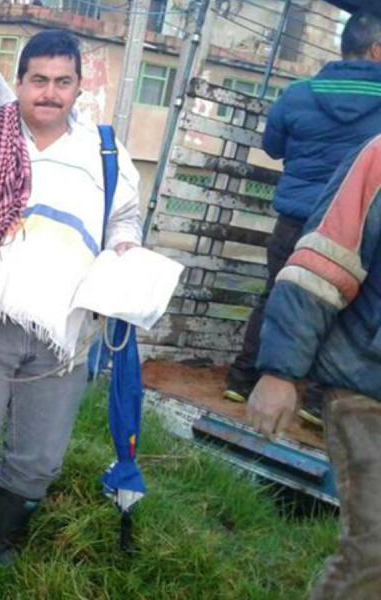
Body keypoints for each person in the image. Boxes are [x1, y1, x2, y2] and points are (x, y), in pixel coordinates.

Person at [0, 30, 141, 575]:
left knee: (40, 456)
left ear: (78, 89)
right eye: (39, 81)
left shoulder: (103, 152)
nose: (49, 94)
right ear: (19, 83)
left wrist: (124, 246)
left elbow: (125, 217)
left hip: (67, 331)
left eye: (63, 83)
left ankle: (1, 541)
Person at [225, 9, 381, 428]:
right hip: (351, 229)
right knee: (342, 310)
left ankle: (242, 379)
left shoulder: (298, 94)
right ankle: (316, 401)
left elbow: (273, 146)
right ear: (377, 49)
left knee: (276, 293)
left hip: (293, 221)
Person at [247, 133, 381, 600]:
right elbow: (323, 263)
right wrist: (281, 372)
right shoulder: (379, 155)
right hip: (366, 383)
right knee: (375, 554)